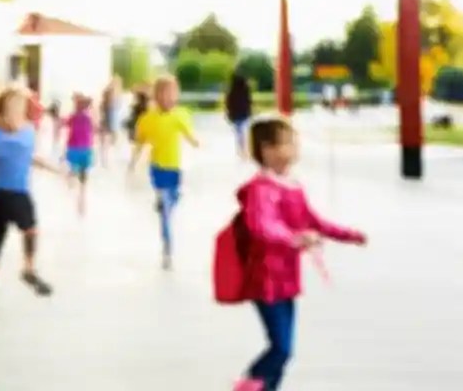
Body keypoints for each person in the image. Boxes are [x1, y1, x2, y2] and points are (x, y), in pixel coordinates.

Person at [231, 116, 367, 391]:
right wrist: (294, 238)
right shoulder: (260, 189)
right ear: (267, 150)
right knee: (281, 348)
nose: (295, 149)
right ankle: (247, 384)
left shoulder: (293, 186)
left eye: (294, 142)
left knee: (285, 350)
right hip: (265, 278)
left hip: (286, 278)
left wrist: (348, 235)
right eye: (287, 143)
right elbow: (262, 225)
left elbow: (313, 221)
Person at [0, 88, 58, 318]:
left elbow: (31, 158)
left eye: (21, 105)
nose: (17, 109)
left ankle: (28, 270)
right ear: (4, 108)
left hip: (19, 194)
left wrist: (57, 170)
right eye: (13, 104)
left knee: (30, 229)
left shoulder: (29, 131)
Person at [129, 76, 199, 269]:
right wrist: (133, 163)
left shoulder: (181, 115)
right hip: (157, 168)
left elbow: (191, 136)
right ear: (155, 95)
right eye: (162, 93)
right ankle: (167, 247)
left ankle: (166, 202)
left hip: (175, 169)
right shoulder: (147, 119)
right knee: (166, 210)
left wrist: (199, 144)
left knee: (173, 199)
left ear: (176, 95)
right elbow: (139, 143)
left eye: (171, 93)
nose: (166, 97)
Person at [62, 93, 97, 216]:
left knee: (74, 171)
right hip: (85, 149)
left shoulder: (74, 116)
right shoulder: (89, 117)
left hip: (75, 148)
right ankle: (81, 196)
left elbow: (65, 123)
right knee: (83, 174)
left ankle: (73, 191)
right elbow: (94, 129)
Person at [224, 75, 253, 159]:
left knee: (239, 133)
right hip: (245, 114)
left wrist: (227, 113)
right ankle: (246, 150)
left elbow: (227, 104)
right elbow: (249, 102)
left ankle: (241, 150)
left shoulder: (230, 91)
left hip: (235, 115)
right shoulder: (246, 90)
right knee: (245, 132)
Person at [98, 76, 124, 167]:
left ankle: (106, 161)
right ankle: (105, 161)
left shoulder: (114, 97)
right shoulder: (112, 96)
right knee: (107, 143)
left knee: (108, 143)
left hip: (110, 122)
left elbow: (118, 107)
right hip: (109, 122)